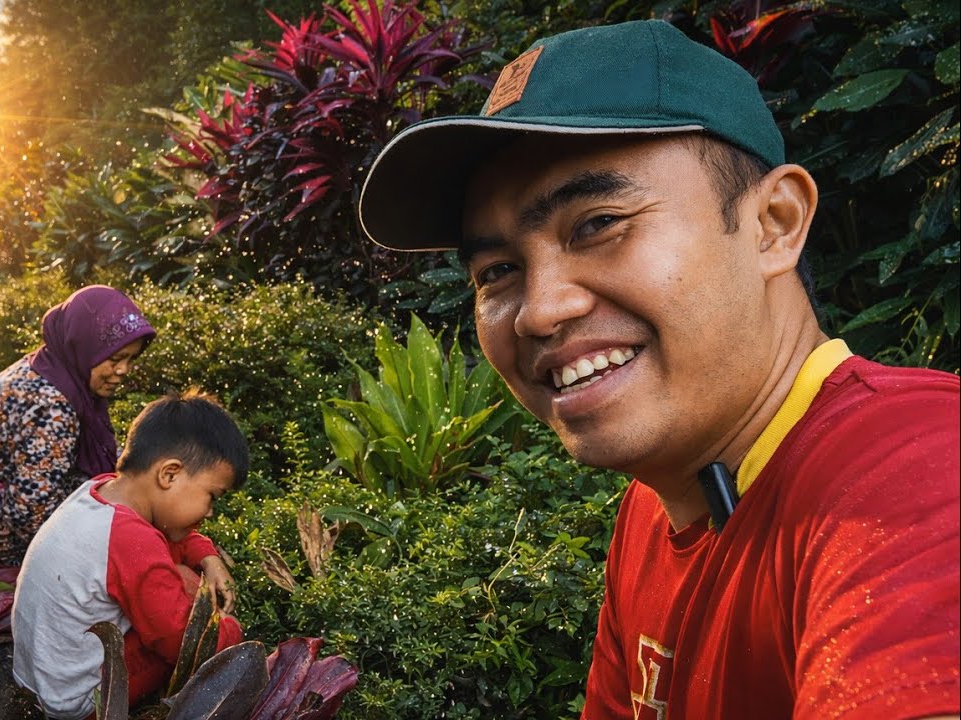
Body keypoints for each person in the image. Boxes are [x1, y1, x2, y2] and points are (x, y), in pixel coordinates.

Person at [358, 19, 959, 720]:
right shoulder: (655, 510)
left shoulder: (918, 471)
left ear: (775, 223)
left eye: (597, 223)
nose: (539, 312)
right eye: (497, 271)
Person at [11, 390, 246, 718]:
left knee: (177, 572)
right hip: (81, 702)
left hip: (34, 677)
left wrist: (207, 555)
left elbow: (169, 535)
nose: (209, 512)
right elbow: (180, 641)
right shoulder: (131, 538)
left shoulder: (100, 491)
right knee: (188, 599)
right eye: (212, 496)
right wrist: (231, 630)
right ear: (170, 474)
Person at [0, 284, 157, 564]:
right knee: (95, 512)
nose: (123, 371)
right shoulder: (51, 405)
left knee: (102, 491)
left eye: (131, 359)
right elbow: (30, 516)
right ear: (82, 345)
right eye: (116, 359)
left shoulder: (53, 365)